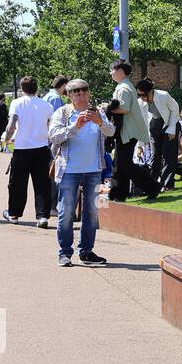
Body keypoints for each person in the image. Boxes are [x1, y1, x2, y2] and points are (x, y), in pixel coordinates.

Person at [48, 79, 114, 266]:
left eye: (84, 90)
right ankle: (65, 253)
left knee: (92, 213)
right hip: (69, 170)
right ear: (69, 95)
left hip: (94, 170)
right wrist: (75, 126)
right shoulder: (62, 113)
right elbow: (54, 136)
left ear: (88, 93)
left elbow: (111, 132)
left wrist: (99, 122)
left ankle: (86, 252)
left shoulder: (97, 112)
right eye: (75, 91)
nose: (80, 94)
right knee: (66, 213)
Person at [2, 76, 54, 227]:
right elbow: (50, 126)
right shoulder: (46, 105)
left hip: (22, 148)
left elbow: (11, 124)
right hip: (42, 147)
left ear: (22, 88)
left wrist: (7, 138)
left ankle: (14, 214)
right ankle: (43, 216)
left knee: (17, 184)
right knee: (42, 183)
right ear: (36, 88)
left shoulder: (16, 103)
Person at [107, 61, 159, 202]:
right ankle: (118, 194)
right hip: (127, 131)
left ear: (120, 71)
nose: (110, 72)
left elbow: (124, 108)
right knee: (119, 164)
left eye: (112, 69)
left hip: (128, 132)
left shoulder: (123, 88)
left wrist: (106, 109)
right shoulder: (125, 86)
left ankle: (152, 186)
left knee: (124, 164)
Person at [136, 78, 181, 192]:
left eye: (143, 94)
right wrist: (141, 143)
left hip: (169, 123)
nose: (142, 97)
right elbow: (142, 122)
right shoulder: (140, 103)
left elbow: (175, 110)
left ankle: (168, 184)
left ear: (151, 91)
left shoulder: (164, 95)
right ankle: (152, 183)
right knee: (155, 155)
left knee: (168, 155)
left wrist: (171, 129)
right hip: (154, 126)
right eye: (139, 94)